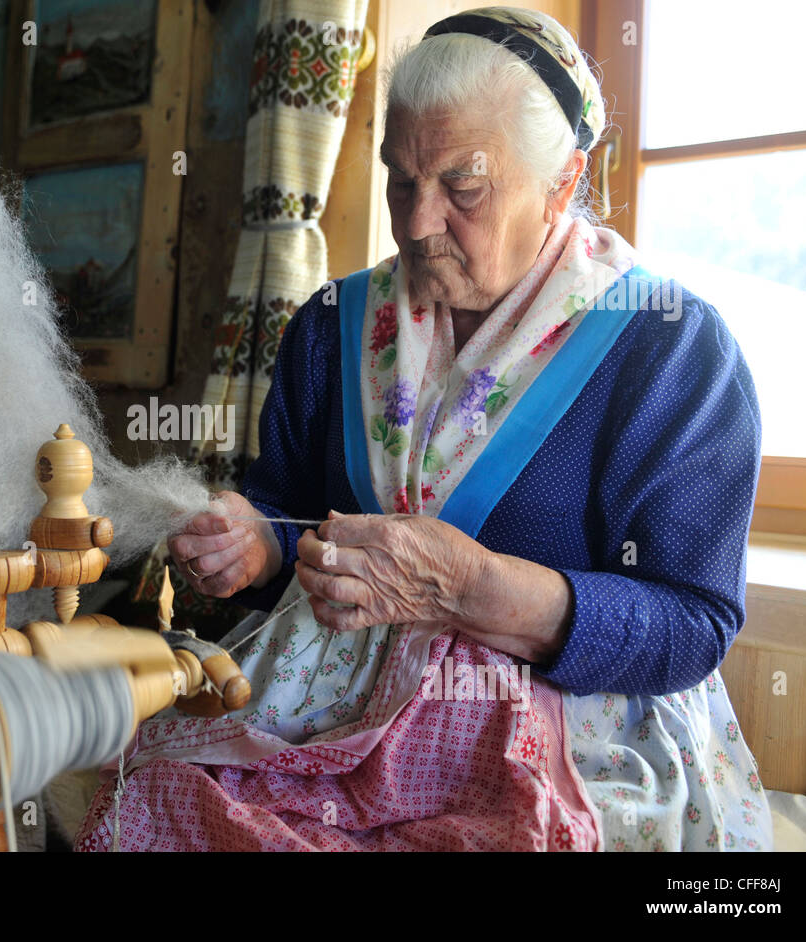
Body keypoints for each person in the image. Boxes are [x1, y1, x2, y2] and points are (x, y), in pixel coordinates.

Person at [77, 6, 771, 851]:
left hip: (559, 731)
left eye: (461, 187)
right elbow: (283, 510)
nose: (413, 221)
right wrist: (253, 546)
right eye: (400, 179)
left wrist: (478, 590)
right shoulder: (333, 325)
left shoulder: (670, 349)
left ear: (562, 182)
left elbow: (692, 622)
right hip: (324, 707)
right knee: (157, 805)